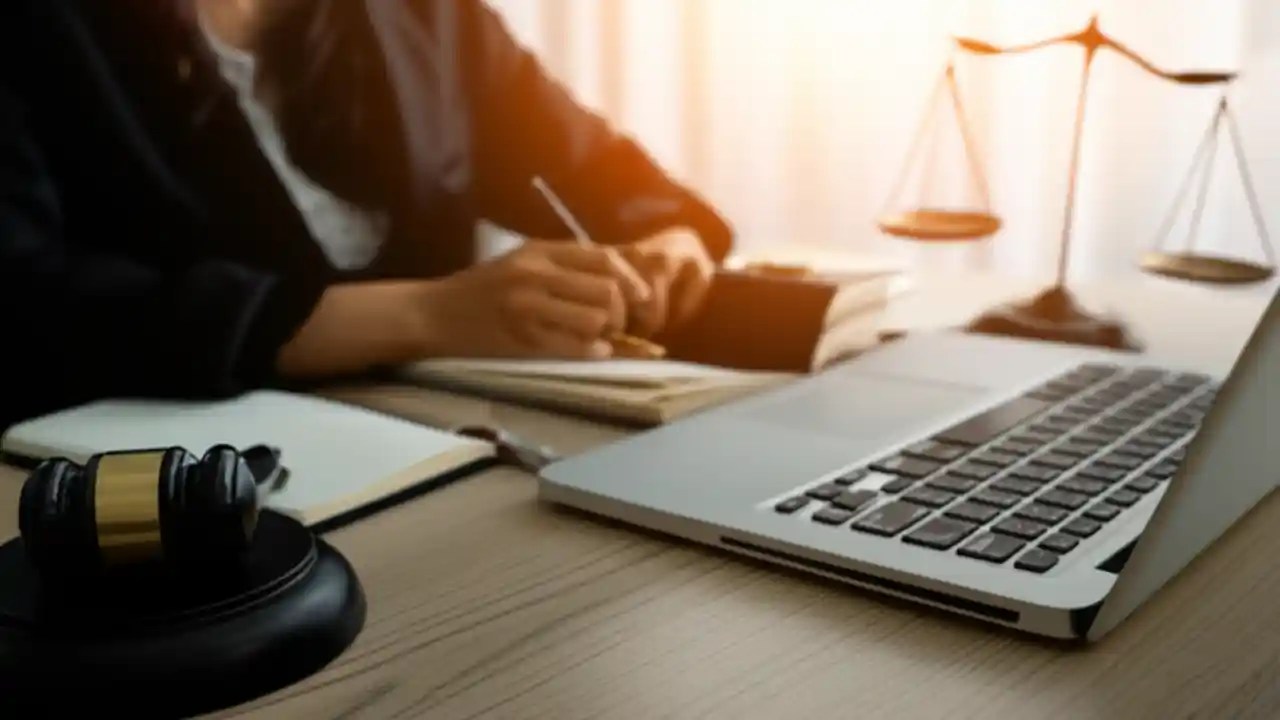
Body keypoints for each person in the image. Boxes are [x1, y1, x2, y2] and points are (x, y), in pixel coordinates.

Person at [0, 0, 734, 429]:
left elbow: (607, 176)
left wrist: (668, 239)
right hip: (185, 481)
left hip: (462, 453)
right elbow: (31, 307)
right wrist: (429, 314)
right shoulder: (43, 31)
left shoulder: (426, 16)